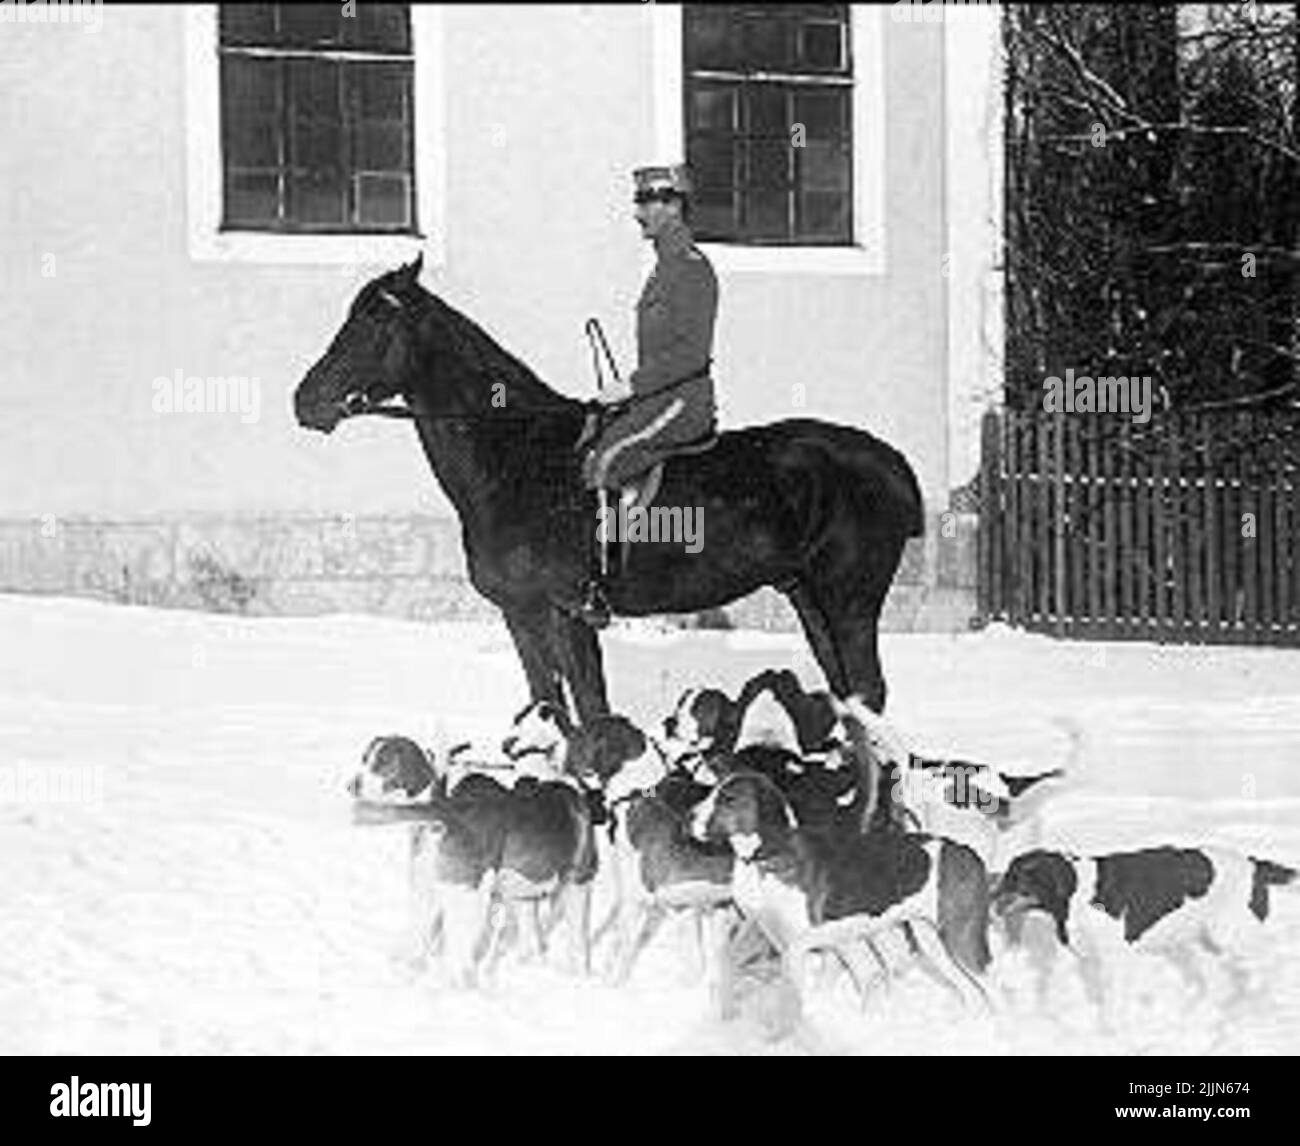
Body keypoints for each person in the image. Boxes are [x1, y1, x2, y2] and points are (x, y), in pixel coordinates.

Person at [578, 163, 719, 627]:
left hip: (682, 403)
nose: (637, 213)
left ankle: (606, 583)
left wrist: (632, 386)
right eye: (638, 201)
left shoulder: (691, 270)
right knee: (589, 441)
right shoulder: (664, 268)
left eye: (646, 202)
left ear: (673, 206)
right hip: (656, 399)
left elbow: (692, 354)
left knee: (608, 460)